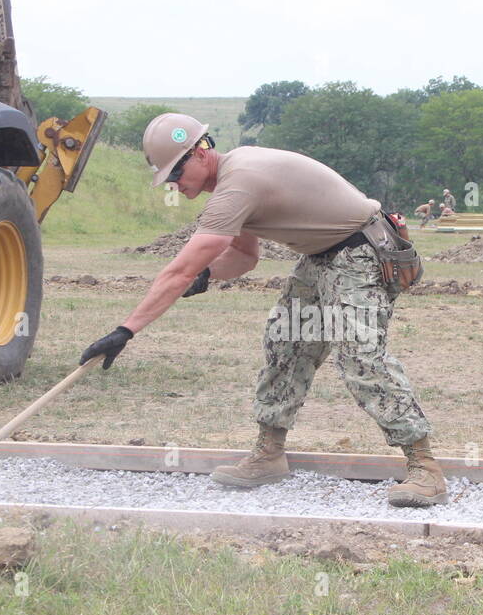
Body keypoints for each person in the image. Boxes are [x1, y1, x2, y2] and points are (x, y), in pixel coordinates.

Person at [79, 113, 447, 507]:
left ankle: (425, 467)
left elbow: (178, 269)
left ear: (200, 153)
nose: (173, 184)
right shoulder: (234, 180)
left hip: (361, 251)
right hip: (321, 256)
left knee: (360, 355)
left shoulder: (238, 184)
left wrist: (126, 330)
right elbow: (243, 256)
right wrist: (205, 277)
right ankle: (269, 453)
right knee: (285, 343)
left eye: (175, 173)